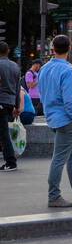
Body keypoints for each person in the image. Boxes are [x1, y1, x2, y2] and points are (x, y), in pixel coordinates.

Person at [38, 35, 72, 208]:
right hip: (67, 119)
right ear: (69, 49)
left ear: (53, 49)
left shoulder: (45, 68)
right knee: (60, 158)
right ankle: (54, 196)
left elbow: (42, 93)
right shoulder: (68, 70)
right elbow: (69, 100)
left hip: (53, 118)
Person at [0, 40, 23, 171]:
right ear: (8, 51)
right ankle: (10, 160)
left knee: (4, 134)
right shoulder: (15, 66)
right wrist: (17, 105)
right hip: (9, 103)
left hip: (1, 101)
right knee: (3, 132)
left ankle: (11, 162)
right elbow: (17, 87)